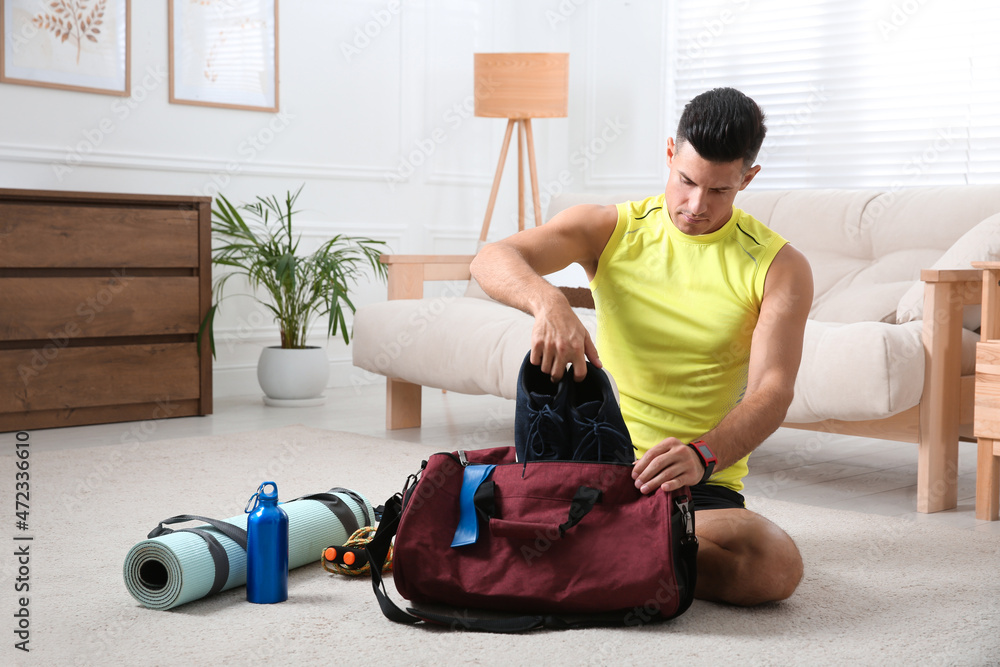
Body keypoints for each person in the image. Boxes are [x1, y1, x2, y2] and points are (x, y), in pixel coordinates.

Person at [470, 87, 812, 606]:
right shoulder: (609, 228)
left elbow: (773, 390)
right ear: (670, 153)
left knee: (771, 566)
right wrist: (549, 304)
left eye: (720, 190)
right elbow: (491, 259)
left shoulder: (779, 266)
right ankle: (624, 550)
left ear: (748, 178)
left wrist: (702, 455)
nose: (696, 206)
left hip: (692, 483)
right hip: (587, 460)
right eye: (687, 181)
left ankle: (580, 545)